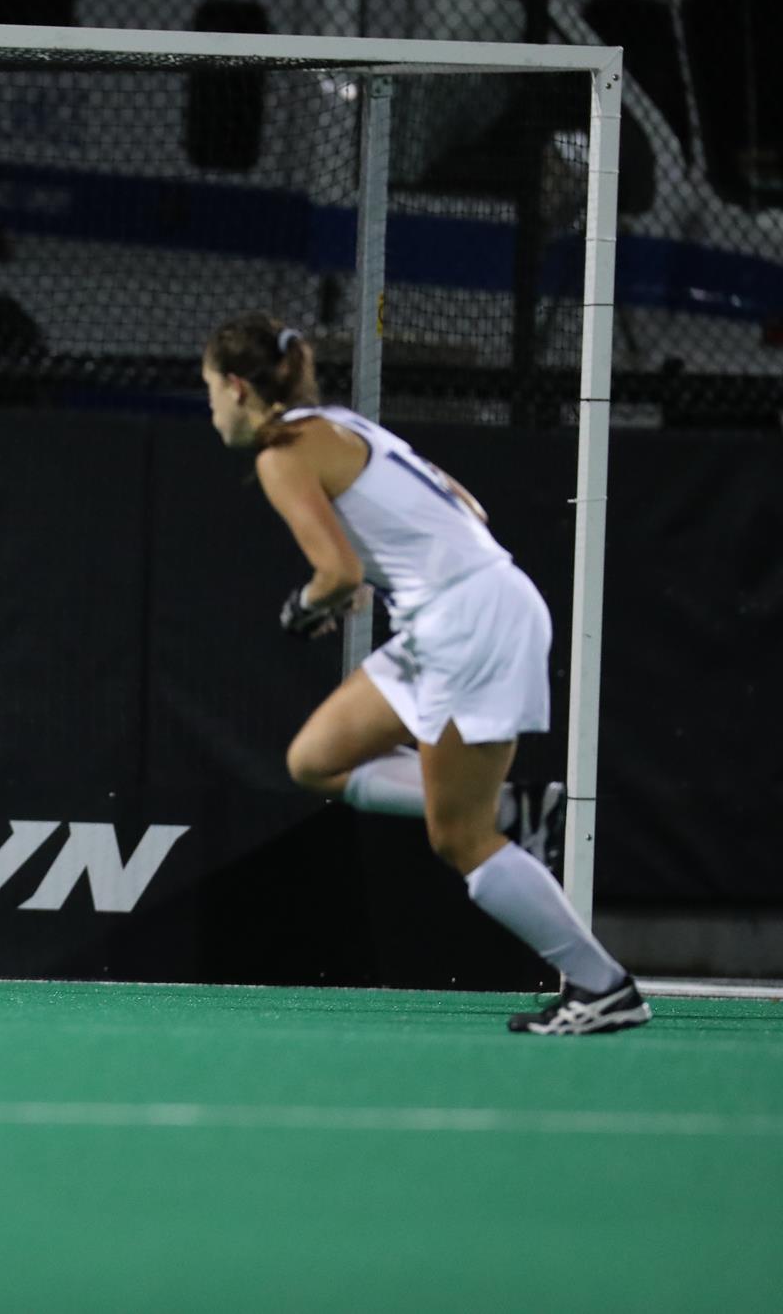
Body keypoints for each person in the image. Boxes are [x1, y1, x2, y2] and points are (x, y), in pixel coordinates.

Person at [201, 312, 650, 1035]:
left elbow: (335, 571)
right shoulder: (344, 426)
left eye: (210, 391)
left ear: (238, 385)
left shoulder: (280, 451)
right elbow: (465, 506)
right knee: (315, 760)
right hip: (460, 612)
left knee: (457, 838)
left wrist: (304, 607)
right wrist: (374, 577)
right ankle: (511, 811)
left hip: (465, 621)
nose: (212, 408)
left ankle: (603, 987)